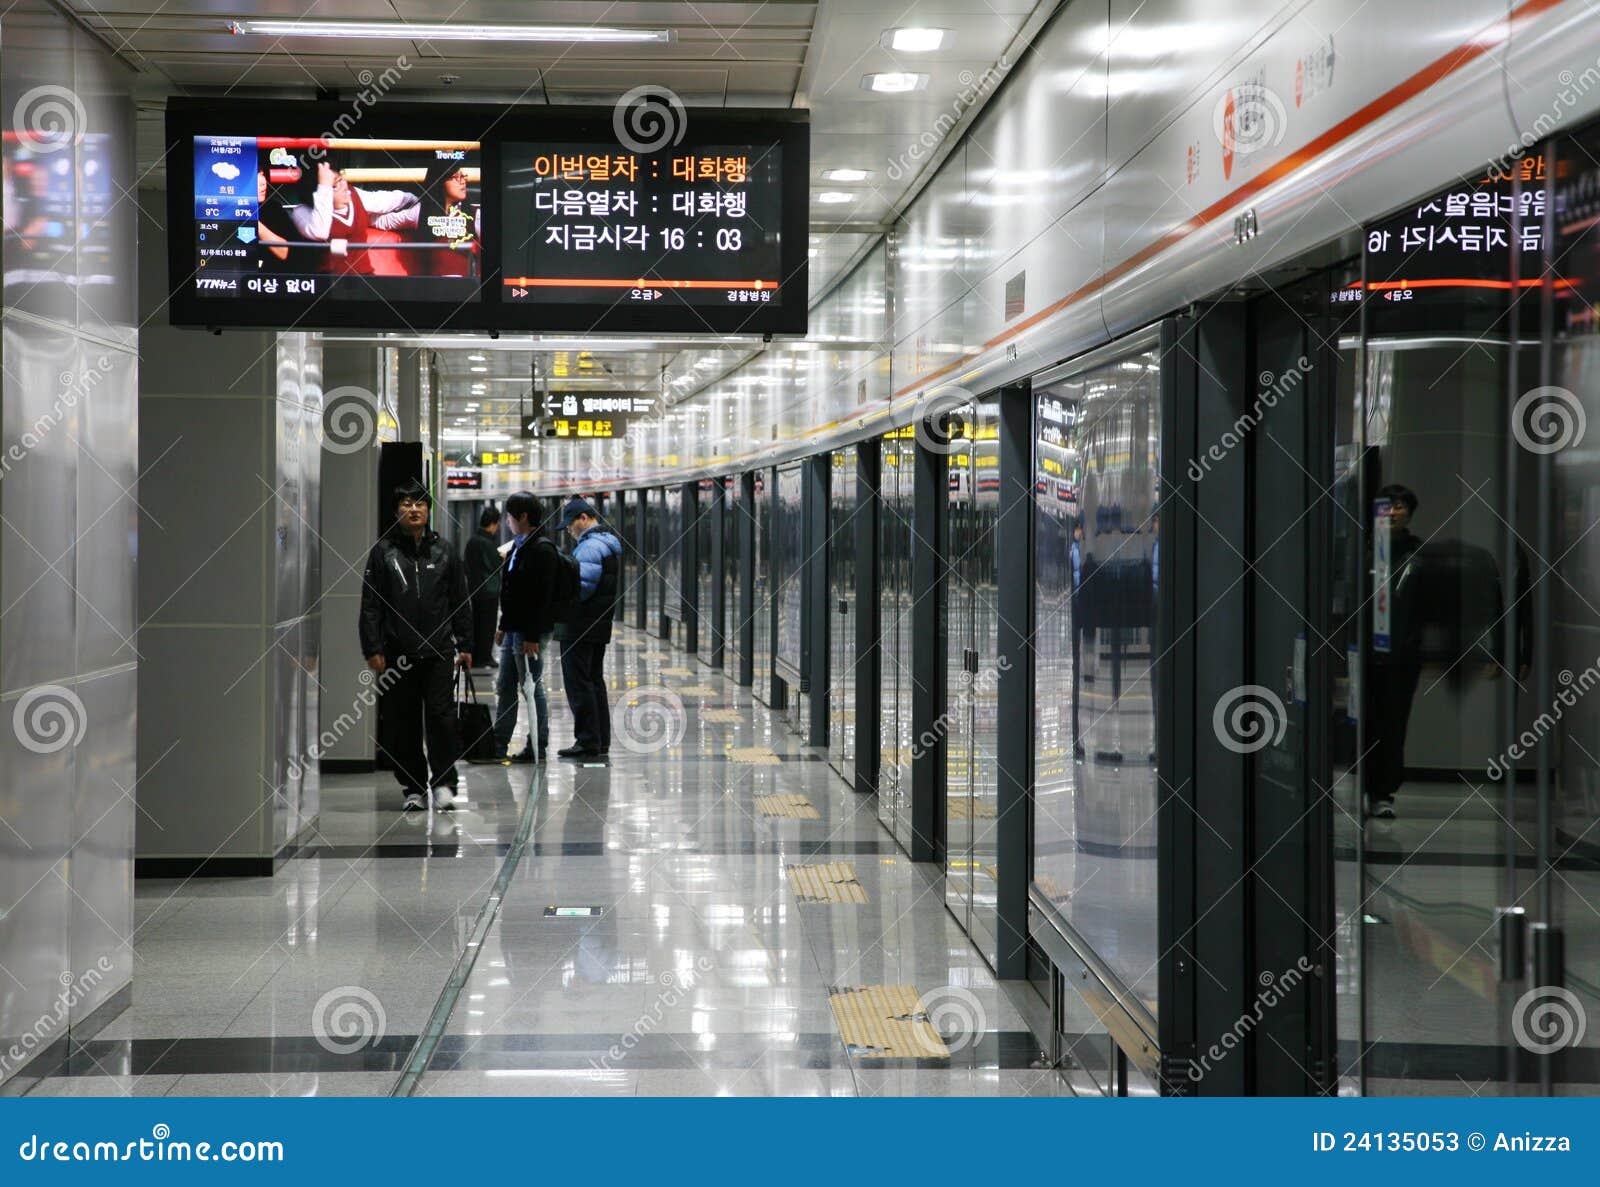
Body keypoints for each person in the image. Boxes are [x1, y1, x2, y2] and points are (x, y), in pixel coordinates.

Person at [358, 480, 473, 811]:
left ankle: (444, 784)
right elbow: (371, 605)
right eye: (406, 504)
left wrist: (465, 644)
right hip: (398, 655)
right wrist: (373, 648)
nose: (414, 509)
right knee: (402, 722)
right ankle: (413, 788)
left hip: (438, 651)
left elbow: (459, 600)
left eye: (420, 503)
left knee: (441, 718)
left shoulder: (445, 551)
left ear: (428, 509)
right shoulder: (383, 553)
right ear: (396, 512)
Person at [478, 493, 563, 764]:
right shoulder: (519, 546)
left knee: (531, 687)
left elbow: (542, 596)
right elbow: (512, 591)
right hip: (515, 629)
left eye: (511, 516)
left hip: (530, 632)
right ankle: (498, 745)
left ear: (523, 517)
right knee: (505, 685)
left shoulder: (542, 549)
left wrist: (531, 636)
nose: (508, 521)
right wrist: (504, 625)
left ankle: (537, 746)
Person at [1367, 483, 1423, 820]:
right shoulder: (1363, 549)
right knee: (1367, 720)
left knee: (1393, 723)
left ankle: (1383, 791)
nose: (1394, 511)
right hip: (1365, 651)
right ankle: (1367, 784)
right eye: (1387, 505)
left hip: (1402, 656)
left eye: (1401, 505)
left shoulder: (1418, 553)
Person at [554, 499, 622, 759]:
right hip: (596, 625)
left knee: (579, 683)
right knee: (594, 681)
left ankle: (587, 740)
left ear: (583, 518)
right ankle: (599, 739)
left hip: (580, 625)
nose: (569, 530)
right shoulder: (605, 544)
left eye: (570, 525)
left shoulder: (590, 548)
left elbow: (581, 589)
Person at [463, 505, 503, 672]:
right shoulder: (486, 542)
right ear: (493, 523)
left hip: (474, 589)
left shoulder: (472, 540)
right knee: (487, 625)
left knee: (476, 623)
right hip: (489, 590)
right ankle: (484, 656)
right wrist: (503, 558)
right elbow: (494, 565)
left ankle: (477, 654)